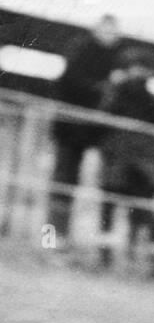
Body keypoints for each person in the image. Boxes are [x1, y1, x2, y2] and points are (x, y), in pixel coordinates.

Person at [97, 47, 154, 276]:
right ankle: (105, 258)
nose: (138, 74)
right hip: (117, 161)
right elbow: (105, 113)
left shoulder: (151, 99)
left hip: (143, 165)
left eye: (143, 69)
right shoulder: (115, 93)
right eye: (134, 68)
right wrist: (119, 86)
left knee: (145, 215)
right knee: (108, 211)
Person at [47, 13, 121, 245]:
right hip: (72, 127)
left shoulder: (115, 57)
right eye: (106, 29)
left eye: (113, 31)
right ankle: (52, 239)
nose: (110, 35)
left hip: (96, 130)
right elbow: (67, 82)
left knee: (108, 182)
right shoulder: (81, 50)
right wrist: (102, 89)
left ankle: (94, 242)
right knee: (63, 180)